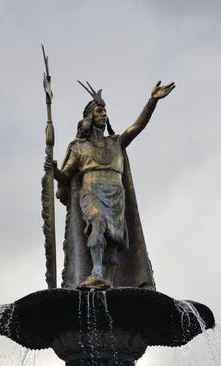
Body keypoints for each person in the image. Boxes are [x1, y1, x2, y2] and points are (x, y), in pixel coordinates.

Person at [52, 80, 175, 290]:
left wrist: (152, 101)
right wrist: (54, 171)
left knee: (114, 240)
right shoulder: (79, 147)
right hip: (91, 191)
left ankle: (106, 280)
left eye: (105, 111)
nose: (104, 114)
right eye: (99, 111)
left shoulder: (116, 142)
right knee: (96, 222)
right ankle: (96, 271)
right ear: (89, 116)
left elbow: (137, 126)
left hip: (116, 194)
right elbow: (65, 177)